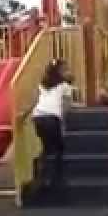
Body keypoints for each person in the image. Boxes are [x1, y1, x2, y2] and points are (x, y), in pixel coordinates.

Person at [31, 59, 74, 191]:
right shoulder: (64, 86)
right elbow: (66, 106)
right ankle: (56, 178)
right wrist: (63, 123)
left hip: (38, 116)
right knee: (59, 148)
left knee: (47, 147)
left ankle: (40, 171)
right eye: (65, 70)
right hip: (52, 117)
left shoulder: (42, 85)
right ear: (60, 72)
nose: (68, 72)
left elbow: (35, 101)